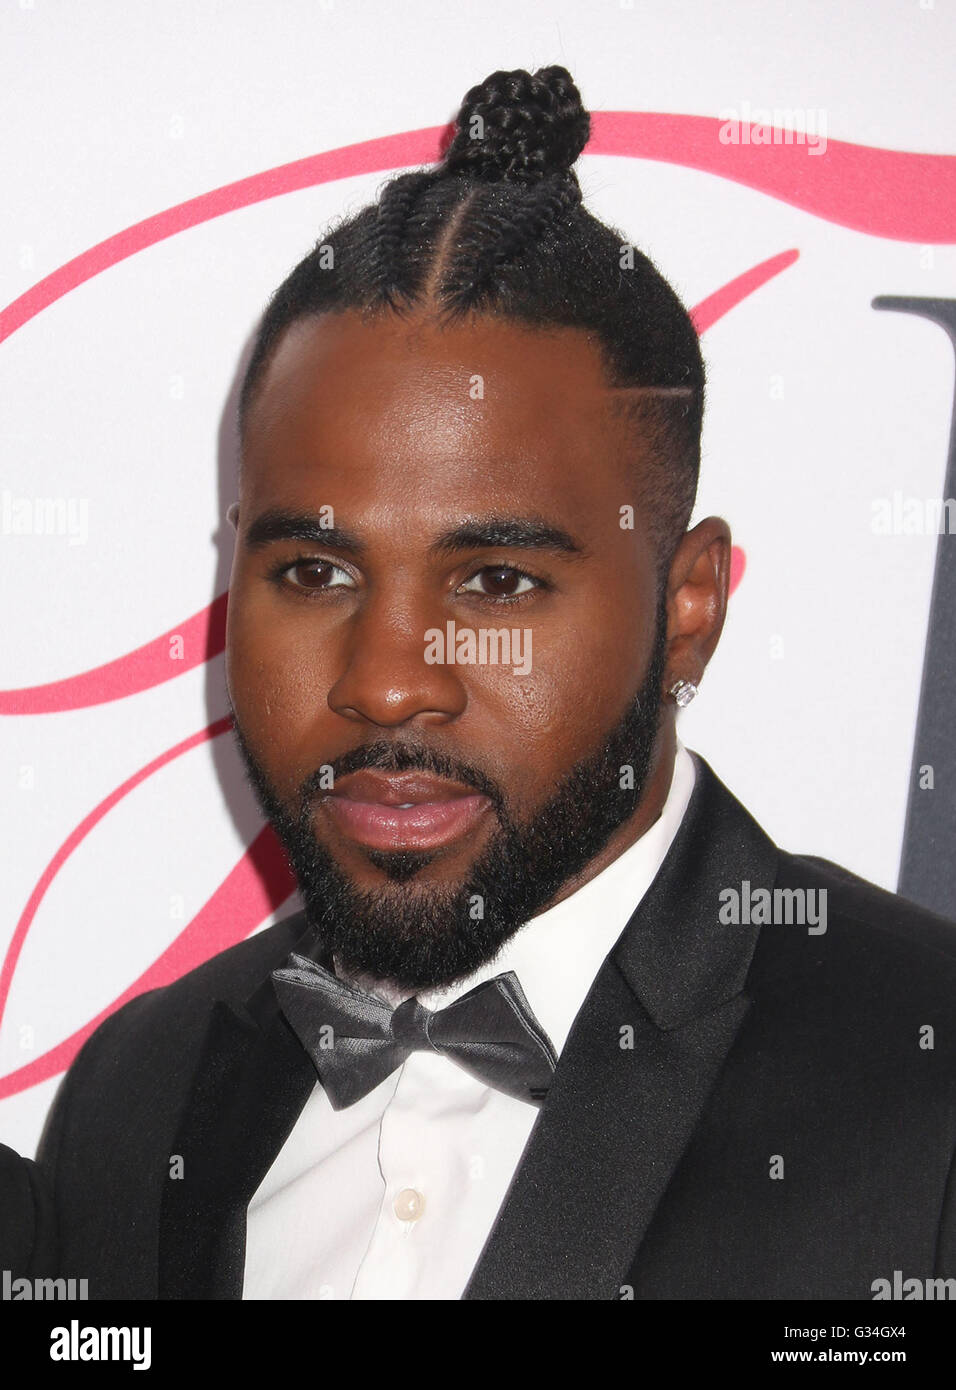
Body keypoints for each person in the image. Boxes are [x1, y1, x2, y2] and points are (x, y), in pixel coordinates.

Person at [35, 65, 956, 1301]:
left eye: (496, 585)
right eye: (313, 570)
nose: (385, 684)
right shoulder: (134, 1101)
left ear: (688, 609)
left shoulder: (923, 1081)